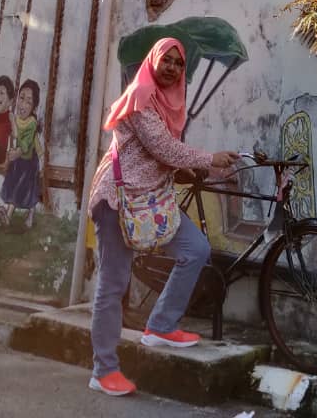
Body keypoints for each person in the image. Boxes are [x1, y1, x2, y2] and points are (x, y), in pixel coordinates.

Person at [87, 37, 240, 397]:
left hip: (153, 202)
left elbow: (161, 157)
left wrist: (203, 168)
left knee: (196, 249)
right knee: (113, 284)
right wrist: (209, 159)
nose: (171, 67)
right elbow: (163, 148)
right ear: (152, 61)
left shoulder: (170, 102)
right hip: (118, 201)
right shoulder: (141, 96)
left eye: (178, 62)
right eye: (165, 60)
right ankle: (103, 370)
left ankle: (160, 324)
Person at [0, 78, 42, 229]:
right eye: (21, 98)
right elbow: (10, 134)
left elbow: (26, 143)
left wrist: (17, 152)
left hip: (29, 162)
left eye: (28, 102)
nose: (23, 104)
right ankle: (8, 214)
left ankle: (14, 214)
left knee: (22, 185)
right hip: (18, 161)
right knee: (12, 182)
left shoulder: (32, 123)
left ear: (33, 108)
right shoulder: (15, 118)